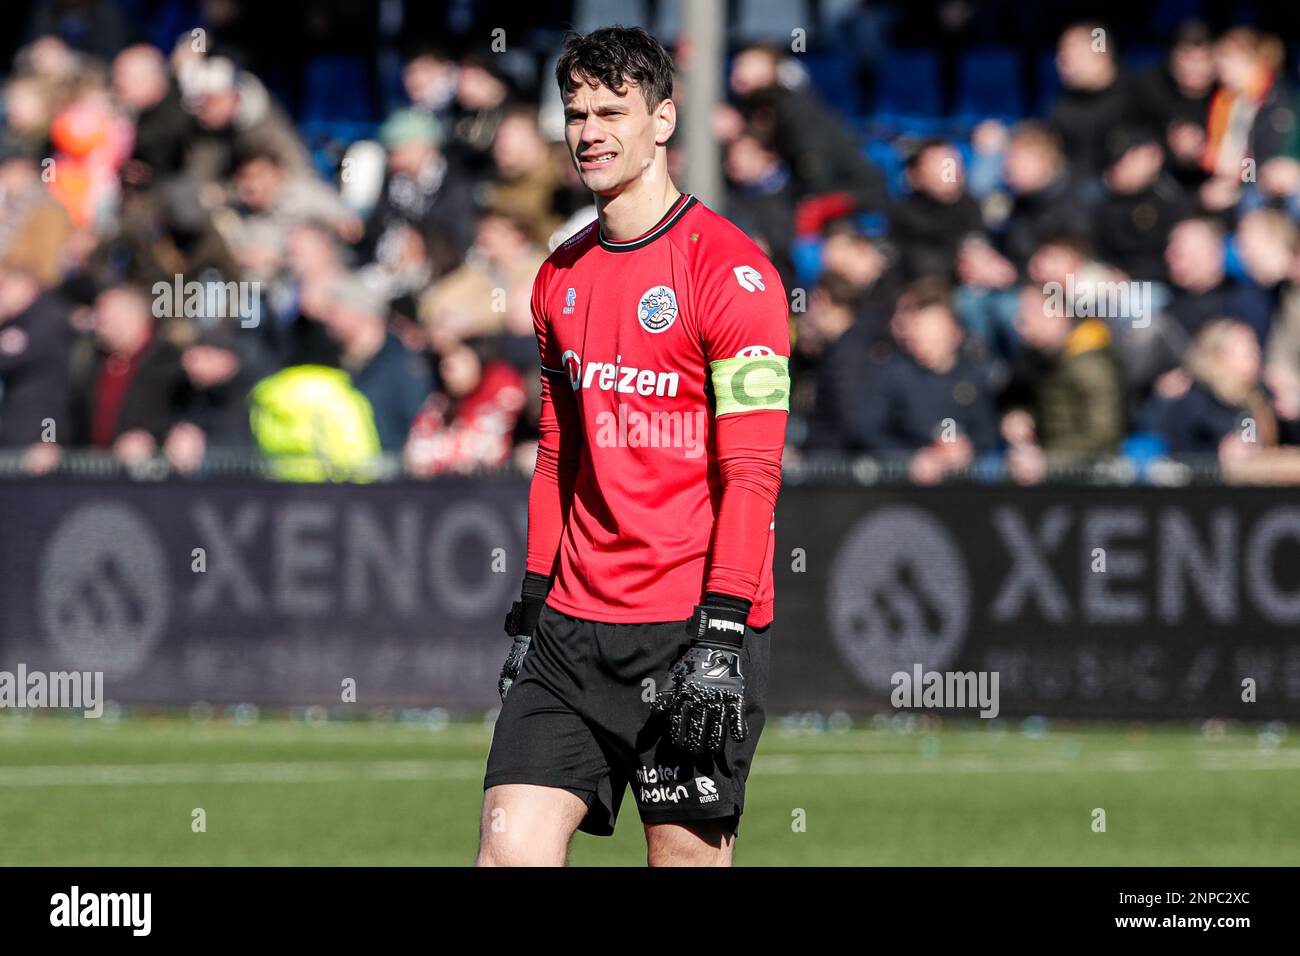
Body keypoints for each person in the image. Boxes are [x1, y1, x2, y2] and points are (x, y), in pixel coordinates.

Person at [480, 27, 790, 868]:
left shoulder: (735, 275)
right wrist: (532, 604)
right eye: (576, 112)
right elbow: (558, 457)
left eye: (611, 110)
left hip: (690, 630)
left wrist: (722, 632)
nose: (589, 131)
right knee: (509, 854)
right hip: (570, 633)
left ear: (663, 121)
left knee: (686, 862)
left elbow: (752, 471)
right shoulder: (558, 277)